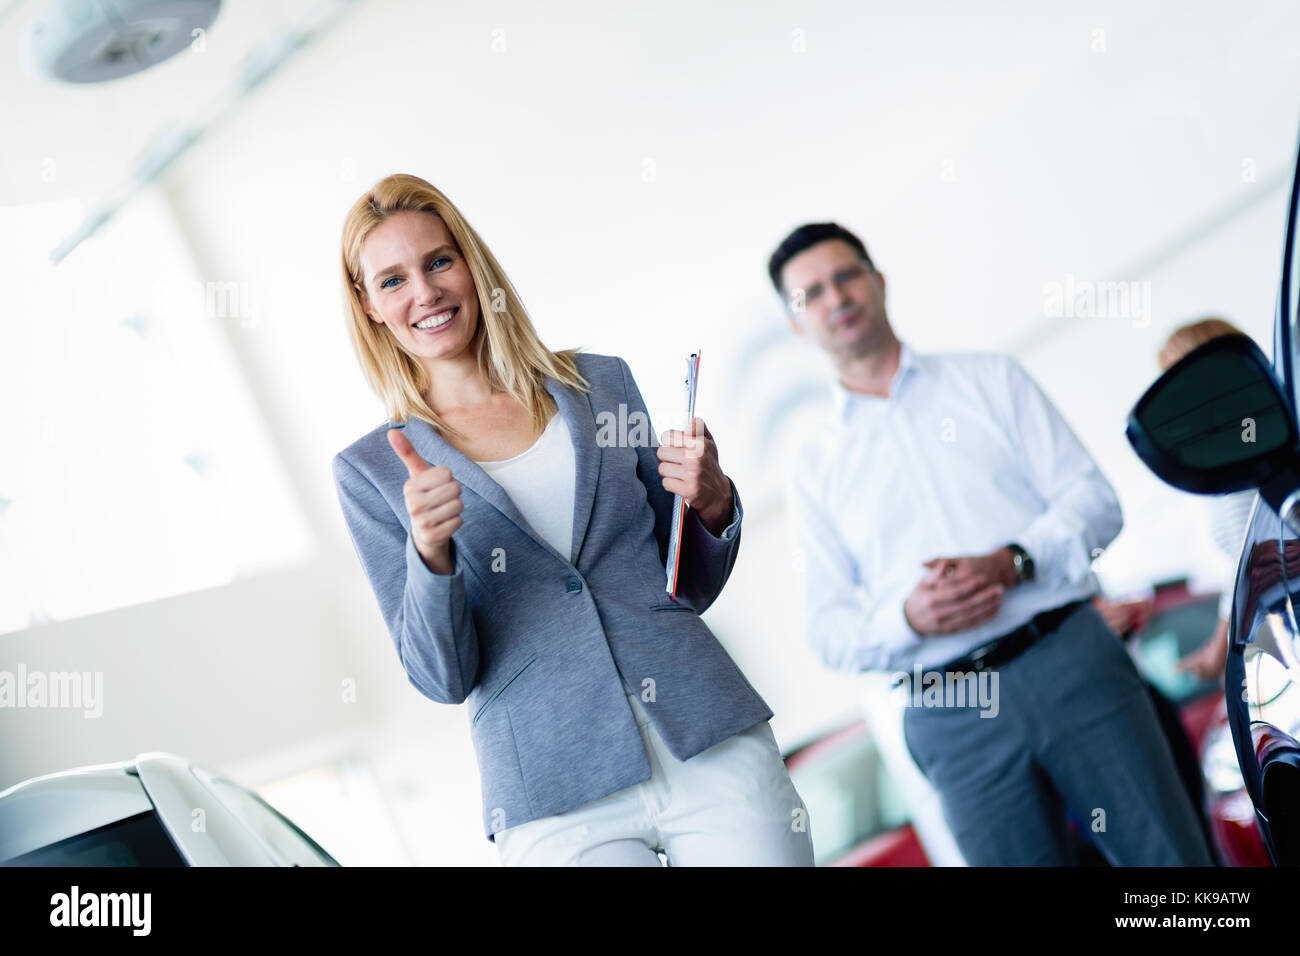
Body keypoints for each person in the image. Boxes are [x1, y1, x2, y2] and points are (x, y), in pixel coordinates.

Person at [331, 173, 813, 866]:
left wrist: (710, 502)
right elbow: (441, 677)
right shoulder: (372, 471)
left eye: (439, 261)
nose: (425, 292)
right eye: (393, 280)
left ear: (472, 264)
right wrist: (432, 557)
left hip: (707, 734)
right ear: (368, 305)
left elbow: (686, 582)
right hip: (554, 791)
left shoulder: (599, 385)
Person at [773, 221, 1213, 866]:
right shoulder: (812, 466)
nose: (835, 297)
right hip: (947, 709)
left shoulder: (990, 380)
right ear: (796, 323)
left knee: (1170, 872)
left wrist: (1015, 562)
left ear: (879, 280)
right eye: (810, 293)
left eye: (846, 276)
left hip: (1070, 659)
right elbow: (827, 630)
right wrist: (906, 616)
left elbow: (1095, 503)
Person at [1159, 318, 1257, 681]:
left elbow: (1249, 561)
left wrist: (1219, 650)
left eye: (1176, 374)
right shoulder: (1240, 439)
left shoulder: (1247, 440)